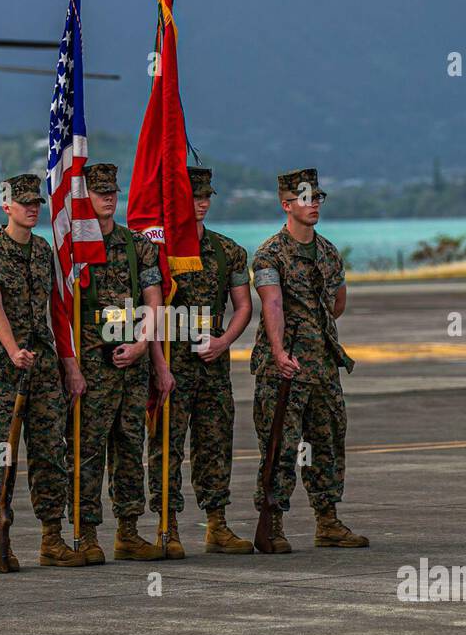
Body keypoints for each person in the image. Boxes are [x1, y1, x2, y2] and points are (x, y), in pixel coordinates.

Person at [0, 174, 83, 571]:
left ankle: (52, 536)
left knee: (51, 450)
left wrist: (69, 364)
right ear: (6, 206)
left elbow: (56, 309)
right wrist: (12, 351)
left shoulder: (42, 251)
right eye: (25, 202)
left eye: (37, 203)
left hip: (41, 365)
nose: (33, 208)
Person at [250, 168, 367, 552]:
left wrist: (317, 335)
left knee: (328, 441)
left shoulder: (329, 252)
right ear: (286, 204)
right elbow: (272, 303)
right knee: (280, 444)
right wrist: (281, 351)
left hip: (322, 366)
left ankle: (328, 520)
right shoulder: (270, 253)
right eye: (305, 198)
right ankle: (274, 522)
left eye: (317, 198)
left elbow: (338, 302)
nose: (313, 204)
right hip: (285, 367)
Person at [65, 163, 174, 561]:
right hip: (93, 366)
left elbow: (154, 303)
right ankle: (87, 532)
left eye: (113, 191)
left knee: (130, 448)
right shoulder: (72, 249)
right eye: (100, 192)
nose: (109, 198)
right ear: (85, 197)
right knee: (87, 450)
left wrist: (146, 348)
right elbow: (59, 312)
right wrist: (71, 365)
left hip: (132, 363)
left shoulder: (138, 246)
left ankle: (128, 531)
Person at [146, 167, 254, 556]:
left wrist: (224, 342)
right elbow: (148, 312)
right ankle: (167, 525)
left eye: (207, 196)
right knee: (166, 447)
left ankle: (217, 524)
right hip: (172, 364)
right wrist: (159, 365)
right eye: (195, 197)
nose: (203, 203)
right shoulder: (159, 254)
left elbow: (243, 306)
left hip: (212, 367)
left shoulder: (228, 251)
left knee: (215, 444)